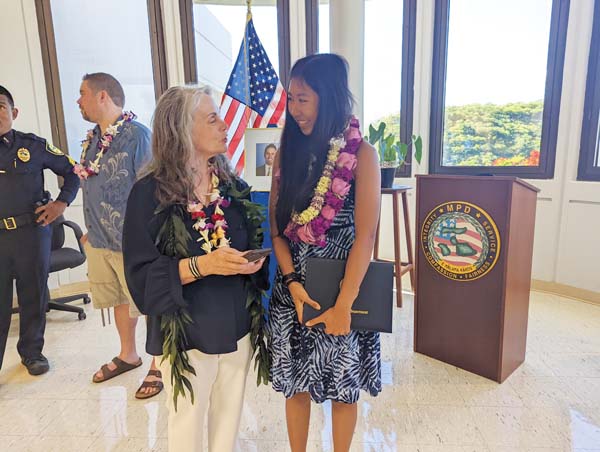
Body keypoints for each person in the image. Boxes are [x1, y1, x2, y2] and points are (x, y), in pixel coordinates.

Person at [122, 85, 269, 452]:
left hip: (235, 324)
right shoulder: (149, 194)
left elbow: (250, 244)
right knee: (187, 422)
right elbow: (140, 276)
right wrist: (203, 265)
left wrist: (251, 263)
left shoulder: (234, 188)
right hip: (186, 329)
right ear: (181, 128)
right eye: (212, 119)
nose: (224, 125)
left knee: (228, 419)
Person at [268, 53, 382, 452]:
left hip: (342, 289)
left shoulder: (362, 155)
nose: (294, 109)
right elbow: (277, 231)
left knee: (343, 390)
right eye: (291, 98)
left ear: (329, 97)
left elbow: (366, 236)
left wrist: (344, 305)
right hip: (293, 290)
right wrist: (292, 283)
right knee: (295, 386)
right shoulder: (286, 154)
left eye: (303, 98)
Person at [75, 72, 162, 398]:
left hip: (133, 240)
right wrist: (90, 227)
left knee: (148, 302)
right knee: (118, 300)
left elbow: (153, 188)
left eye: (83, 93)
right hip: (100, 239)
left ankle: (158, 362)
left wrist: (150, 236)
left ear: (102, 96)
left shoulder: (137, 136)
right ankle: (129, 354)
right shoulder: (91, 140)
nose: (78, 101)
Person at [0, 85, 79, 375]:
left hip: (31, 233)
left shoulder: (32, 146)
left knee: (33, 295)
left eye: (0, 106)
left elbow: (73, 171)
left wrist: (61, 203)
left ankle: (32, 353)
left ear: (14, 112)